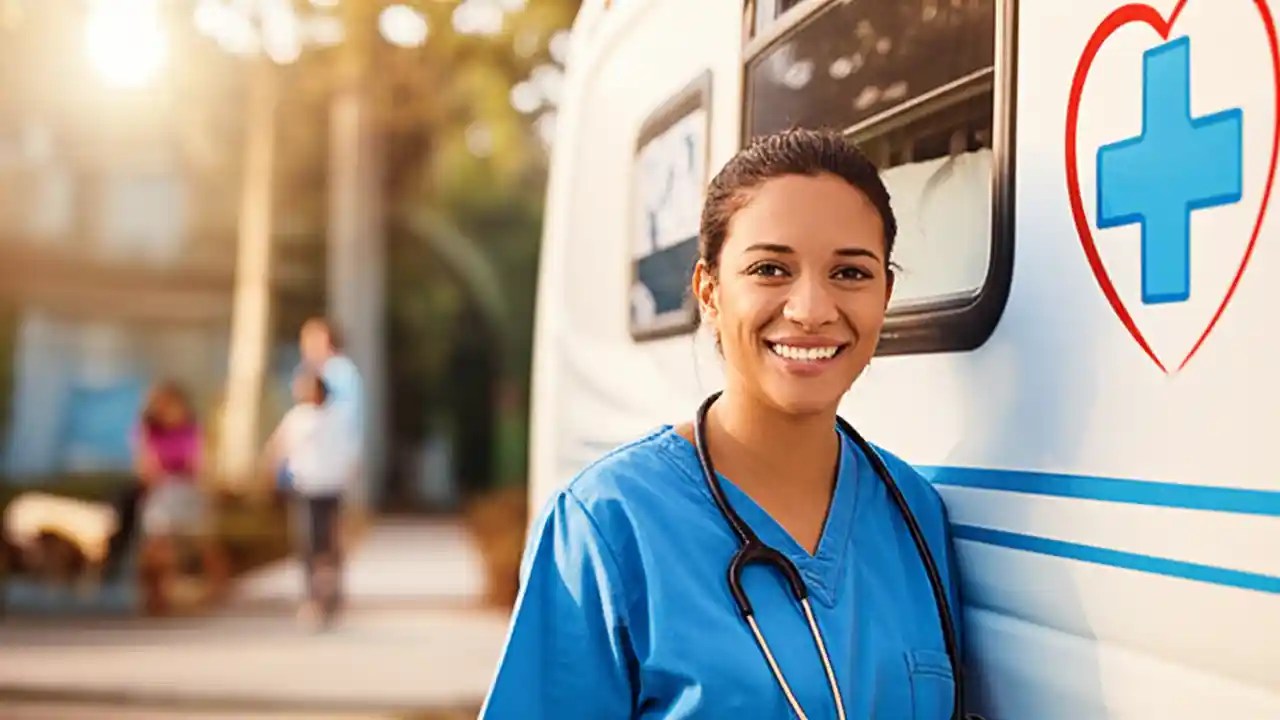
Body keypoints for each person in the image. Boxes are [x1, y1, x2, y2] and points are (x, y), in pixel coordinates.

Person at [481, 128, 973, 719]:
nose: (812, 310)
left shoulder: (913, 514)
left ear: (885, 293)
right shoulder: (608, 521)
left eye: (850, 273)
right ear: (709, 292)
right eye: (770, 269)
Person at [262, 370, 357, 629]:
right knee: (308, 543)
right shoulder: (297, 417)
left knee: (329, 544)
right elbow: (278, 447)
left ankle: (331, 593)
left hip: (331, 487)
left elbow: (349, 453)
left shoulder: (336, 417)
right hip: (306, 487)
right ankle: (313, 597)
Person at [133, 380, 228, 614]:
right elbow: (145, 465)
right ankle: (157, 596)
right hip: (163, 491)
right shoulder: (149, 432)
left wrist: (203, 484)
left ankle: (218, 591)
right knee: (157, 545)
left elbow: (201, 462)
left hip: (189, 489)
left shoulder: (193, 430)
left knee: (203, 543)